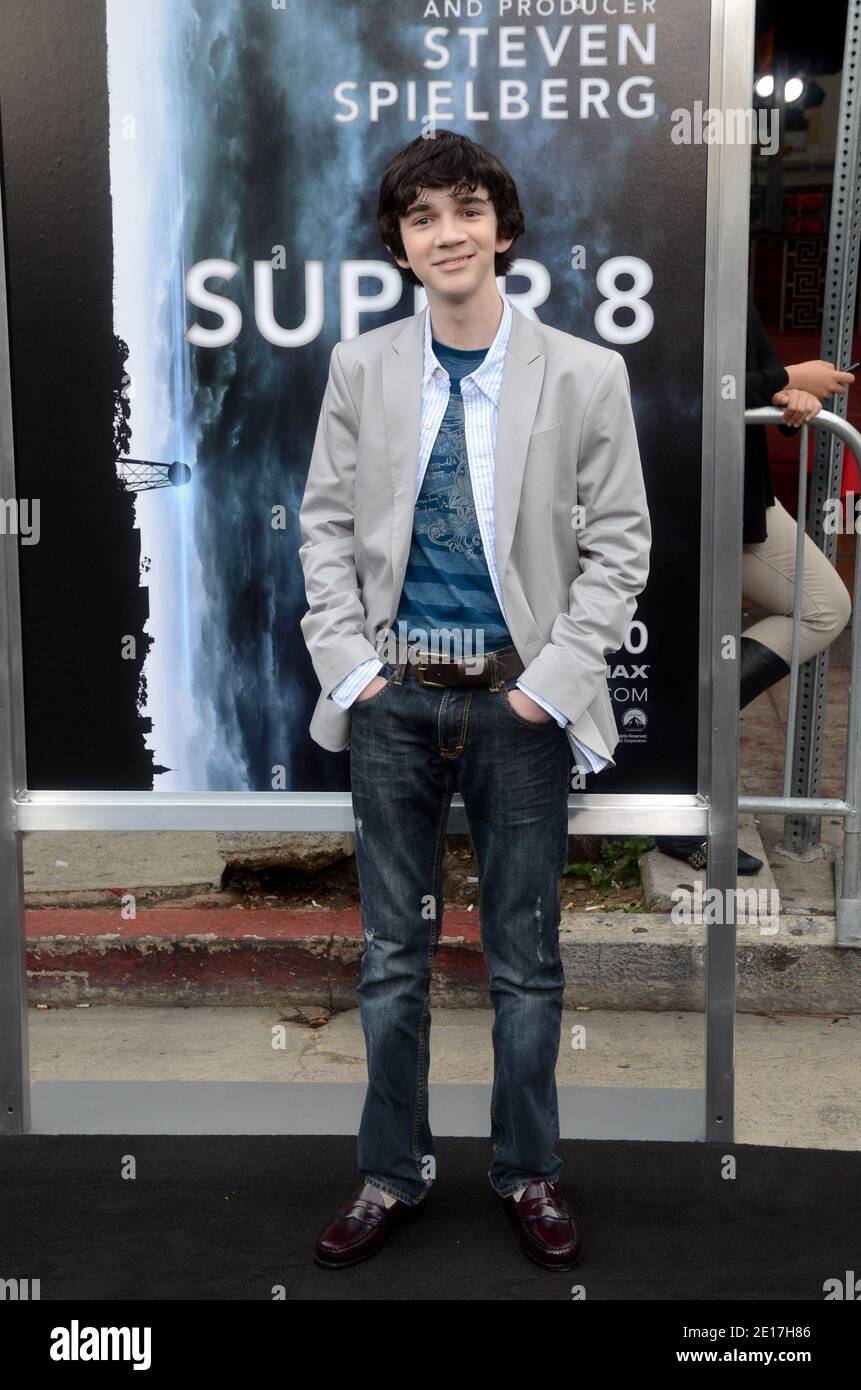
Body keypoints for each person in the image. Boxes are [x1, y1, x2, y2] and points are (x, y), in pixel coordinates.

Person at [298, 129, 651, 1271]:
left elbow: (619, 547)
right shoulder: (361, 368)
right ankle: (389, 1173)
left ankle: (529, 1171)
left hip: (520, 708)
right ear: (399, 245)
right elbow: (323, 528)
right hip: (393, 703)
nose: (446, 233)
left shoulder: (586, 373)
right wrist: (353, 671)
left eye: (466, 211)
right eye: (421, 218)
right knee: (391, 960)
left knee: (527, 964)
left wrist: (549, 690)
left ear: (502, 229)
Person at [654, 295, 854, 874]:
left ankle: (693, 725)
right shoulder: (674, 270)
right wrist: (790, 378)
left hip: (744, 497)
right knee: (663, 652)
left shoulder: (731, 282)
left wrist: (787, 394)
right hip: (677, 498)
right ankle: (677, 806)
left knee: (824, 606)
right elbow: (675, 389)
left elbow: (756, 373)